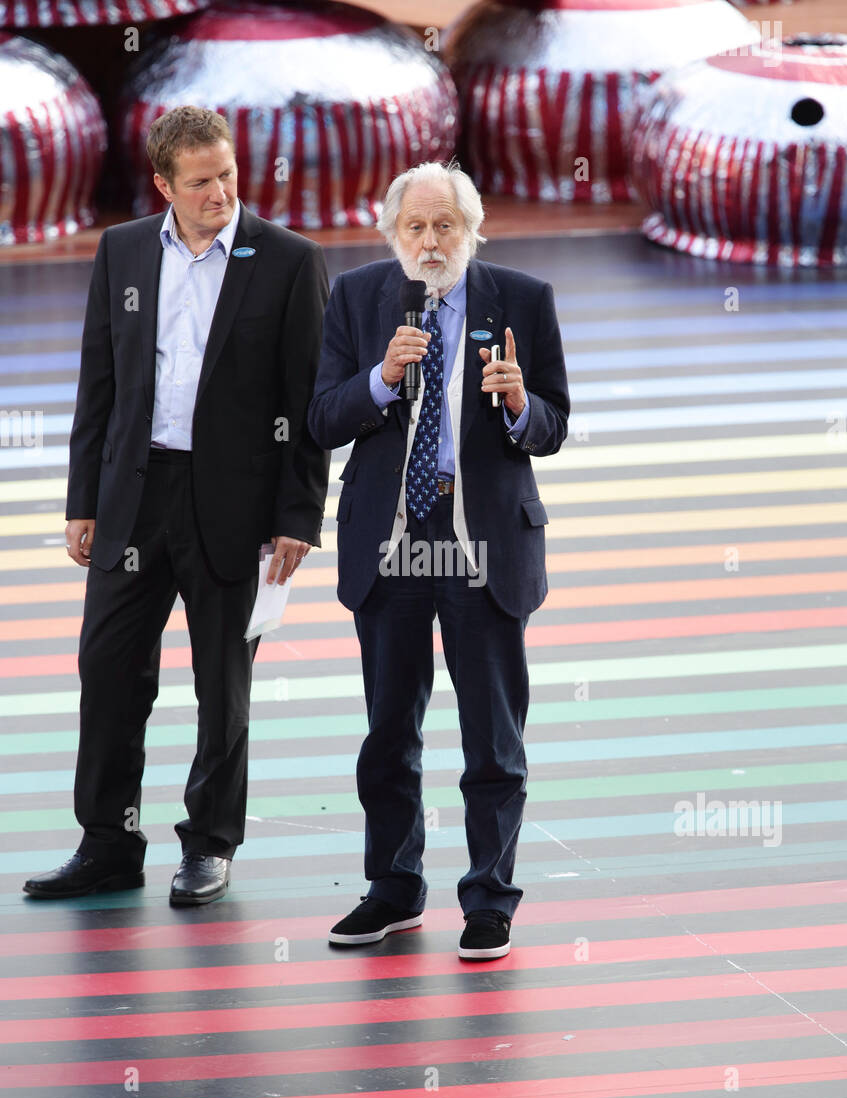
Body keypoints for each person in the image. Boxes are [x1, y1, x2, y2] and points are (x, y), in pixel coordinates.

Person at [24, 106, 330, 906]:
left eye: (227, 174)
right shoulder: (123, 251)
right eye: (200, 182)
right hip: (134, 495)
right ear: (164, 183)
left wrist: (299, 515)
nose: (220, 193)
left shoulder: (290, 261)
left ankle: (210, 845)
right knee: (109, 671)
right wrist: (82, 499)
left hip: (236, 506)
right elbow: (99, 382)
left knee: (221, 682)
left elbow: (309, 402)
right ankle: (108, 841)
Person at [307, 161, 569, 958]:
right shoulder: (357, 297)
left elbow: (554, 427)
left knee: (493, 736)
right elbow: (320, 419)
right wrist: (381, 380)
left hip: (481, 542)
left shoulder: (523, 299)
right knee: (390, 730)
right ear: (393, 235)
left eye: (443, 226)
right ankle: (392, 888)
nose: (429, 242)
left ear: (470, 230)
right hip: (391, 539)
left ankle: (489, 900)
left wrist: (521, 402)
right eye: (415, 227)